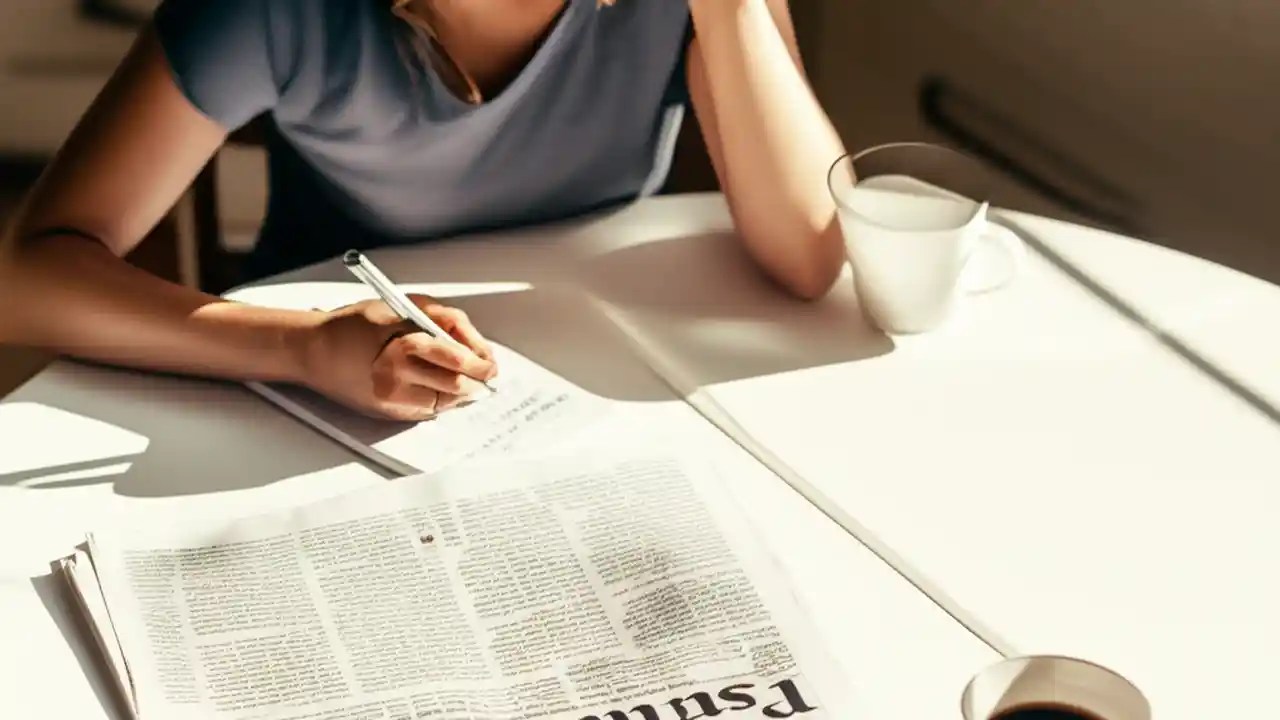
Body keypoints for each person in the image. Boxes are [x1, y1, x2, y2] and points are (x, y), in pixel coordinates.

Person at [0, 0, 847, 420]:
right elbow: (26, 279)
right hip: (317, 389)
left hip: (605, 379)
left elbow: (809, 258)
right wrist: (303, 349)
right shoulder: (272, 11)